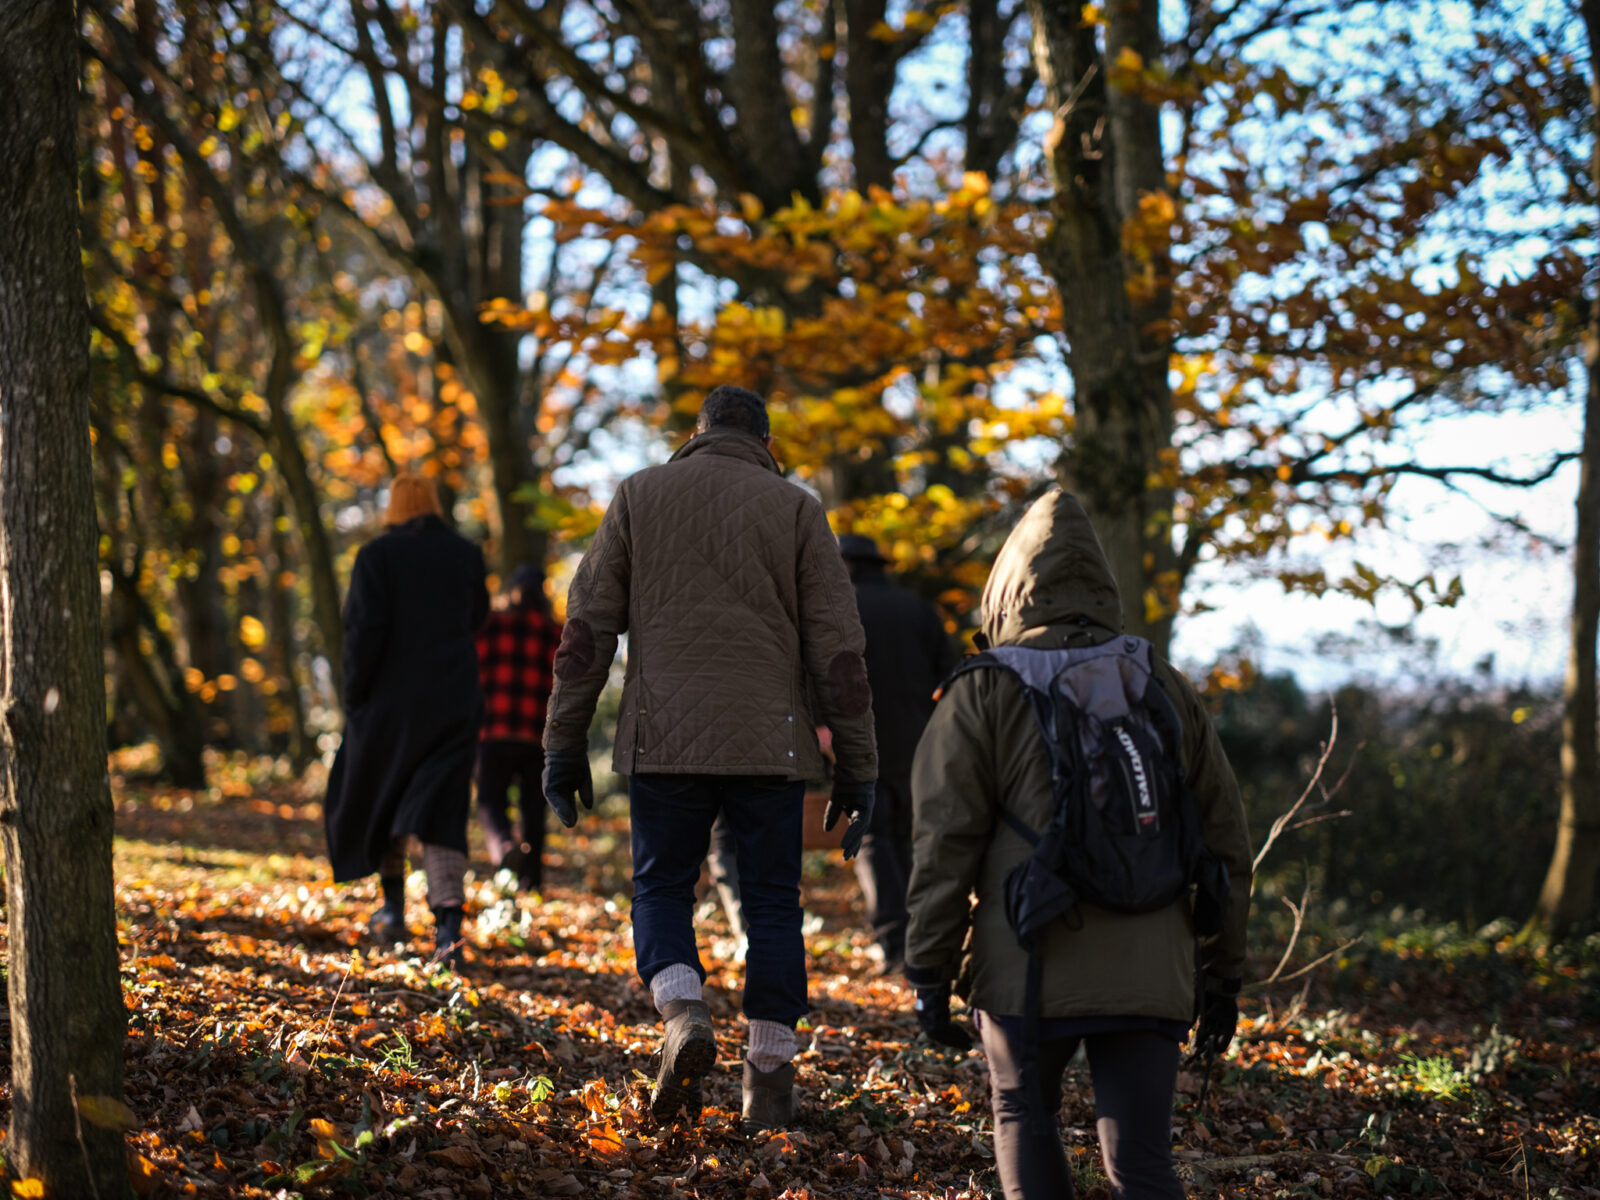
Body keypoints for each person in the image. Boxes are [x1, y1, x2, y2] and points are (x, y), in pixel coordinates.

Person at [541, 385, 879, 1133]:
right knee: (770, 904)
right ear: (766, 442)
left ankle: (682, 1007)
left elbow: (588, 632)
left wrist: (563, 743)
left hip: (665, 738)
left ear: (697, 434)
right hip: (769, 742)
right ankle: (769, 1081)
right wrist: (859, 769)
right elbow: (840, 654)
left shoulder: (639, 494)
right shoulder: (795, 508)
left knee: (662, 888)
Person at [904, 489, 1253, 1200]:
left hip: (1028, 958)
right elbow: (1225, 837)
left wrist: (930, 970)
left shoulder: (984, 689)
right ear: (1103, 587)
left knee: (1023, 1114)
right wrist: (1223, 972)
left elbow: (944, 842)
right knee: (1144, 1161)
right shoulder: (1160, 681)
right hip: (1153, 963)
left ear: (1008, 589)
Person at [324, 472, 489, 970]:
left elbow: (363, 632)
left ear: (394, 510)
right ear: (435, 507)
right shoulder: (466, 555)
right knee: (442, 810)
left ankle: (393, 911)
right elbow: (477, 617)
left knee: (384, 797)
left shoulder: (376, 557)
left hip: (389, 704)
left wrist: (354, 695)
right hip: (454, 701)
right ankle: (447, 932)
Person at [836, 533, 960, 976]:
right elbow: (950, 676)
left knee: (871, 842)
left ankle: (895, 947)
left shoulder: (836, 609)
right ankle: (927, 945)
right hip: (919, 746)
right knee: (916, 843)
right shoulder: (918, 610)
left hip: (859, 744)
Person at [475, 562, 562, 891]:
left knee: (490, 800)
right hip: (537, 737)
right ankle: (532, 882)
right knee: (533, 810)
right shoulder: (554, 632)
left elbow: (474, 667)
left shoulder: (493, 625)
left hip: (493, 731)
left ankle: (503, 847)